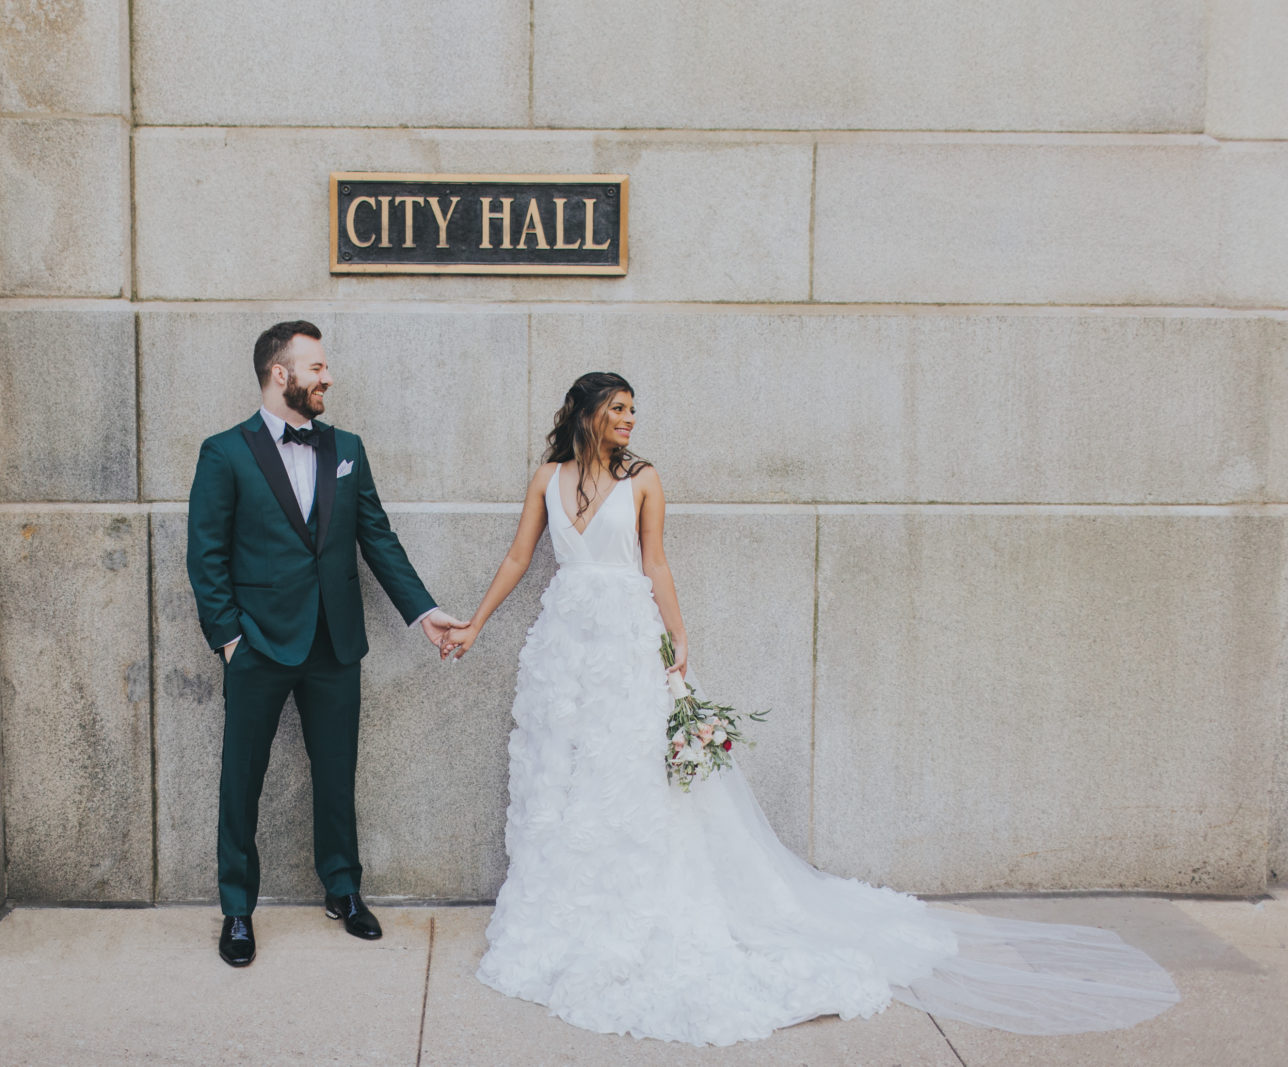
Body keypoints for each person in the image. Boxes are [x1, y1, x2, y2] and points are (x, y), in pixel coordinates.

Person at [440, 371, 1179, 1045]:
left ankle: (633, 905)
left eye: (634, 410)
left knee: (630, 776)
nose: (631, 419)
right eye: (618, 409)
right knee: (562, 776)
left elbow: (655, 562)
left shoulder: (645, 480)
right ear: (587, 414)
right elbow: (518, 557)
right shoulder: (549, 478)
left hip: (628, 644)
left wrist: (678, 636)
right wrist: (474, 624)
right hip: (565, 649)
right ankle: (569, 906)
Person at [186, 320, 462, 967]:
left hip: (335, 644)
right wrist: (230, 640)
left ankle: (343, 888)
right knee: (241, 780)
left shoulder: (347, 449)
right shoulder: (224, 453)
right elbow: (206, 555)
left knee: (337, 775)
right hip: (258, 645)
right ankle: (237, 909)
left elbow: (378, 538)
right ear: (279, 373)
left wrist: (423, 612)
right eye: (317, 367)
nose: (328, 378)